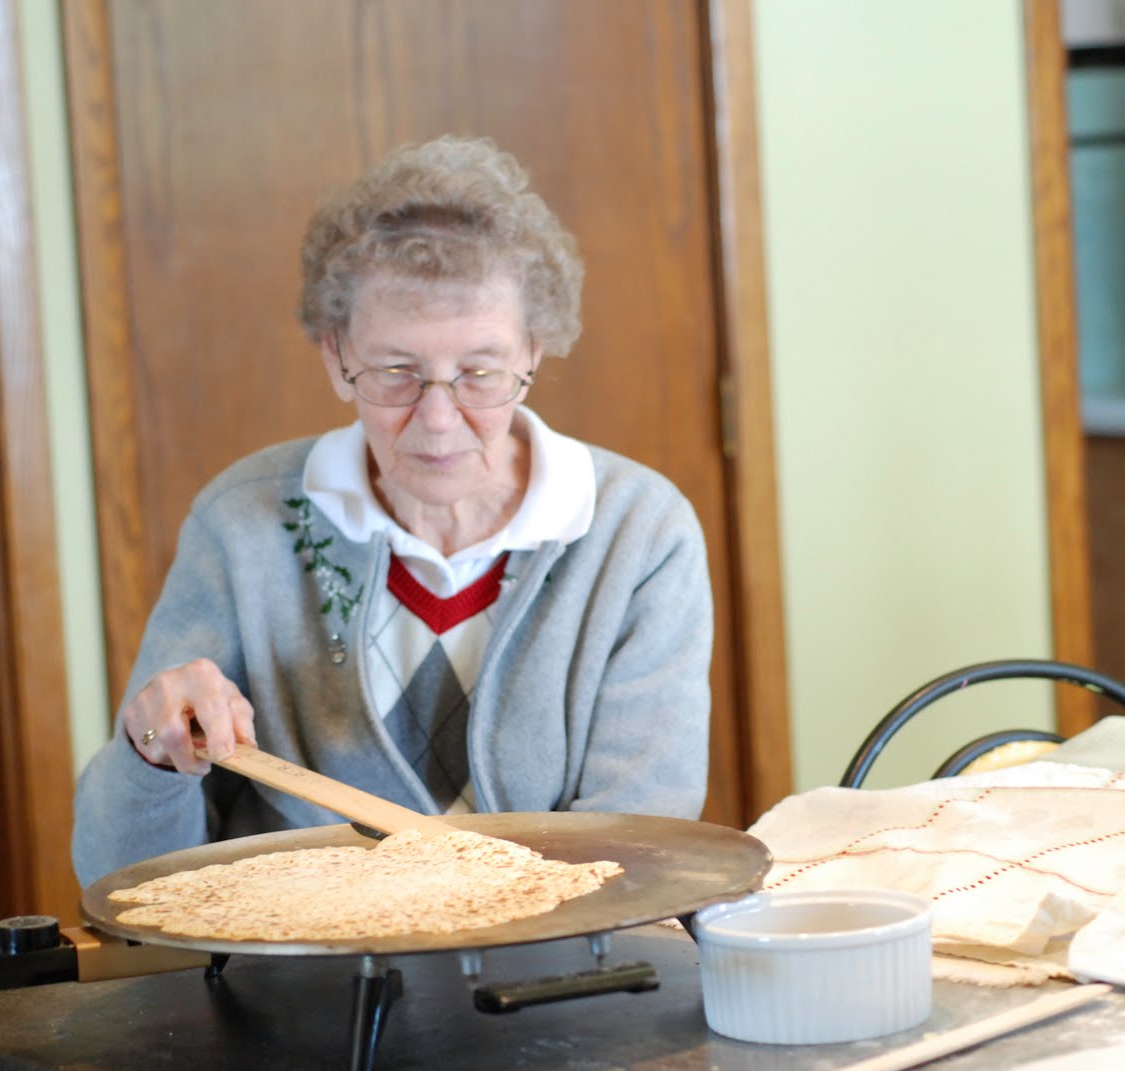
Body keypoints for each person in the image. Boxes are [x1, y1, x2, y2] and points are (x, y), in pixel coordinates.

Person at [72, 135, 712, 887]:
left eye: (478, 372)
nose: (438, 421)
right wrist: (152, 752)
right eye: (396, 372)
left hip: (554, 981)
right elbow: (121, 874)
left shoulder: (638, 536)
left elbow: (633, 851)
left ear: (533, 353)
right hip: (310, 987)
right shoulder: (242, 527)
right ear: (335, 354)